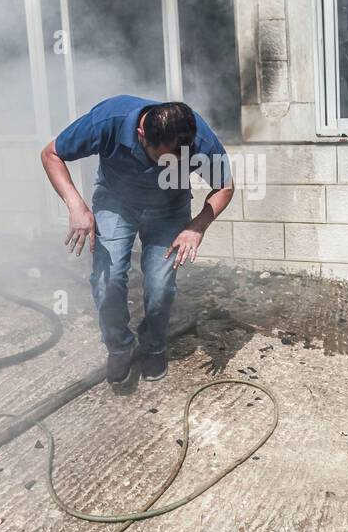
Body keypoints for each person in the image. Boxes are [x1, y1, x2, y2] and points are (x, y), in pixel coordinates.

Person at [41, 96, 234, 388]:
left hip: (169, 209)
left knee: (159, 286)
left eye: (180, 159)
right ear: (142, 135)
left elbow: (225, 186)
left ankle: (154, 346)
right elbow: (51, 154)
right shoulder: (108, 120)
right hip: (116, 201)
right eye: (165, 157)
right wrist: (75, 205)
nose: (175, 163)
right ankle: (120, 346)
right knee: (108, 281)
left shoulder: (198, 138)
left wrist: (198, 226)